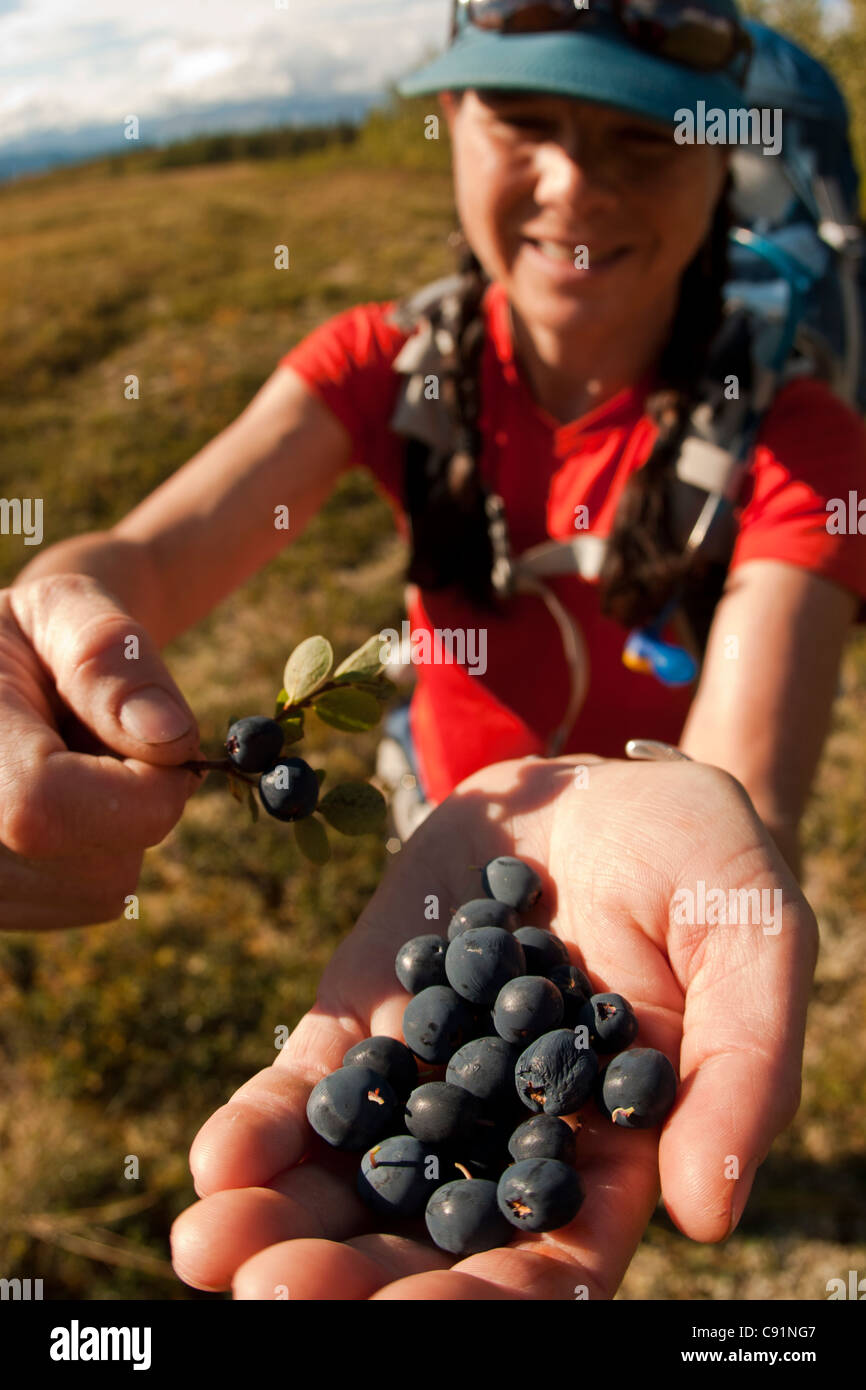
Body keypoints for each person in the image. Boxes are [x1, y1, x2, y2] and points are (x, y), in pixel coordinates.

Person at [169, 754, 818, 1299]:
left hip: (539, 797)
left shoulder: (550, 1013)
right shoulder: (481, 990)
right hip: (453, 782)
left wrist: (696, 779)